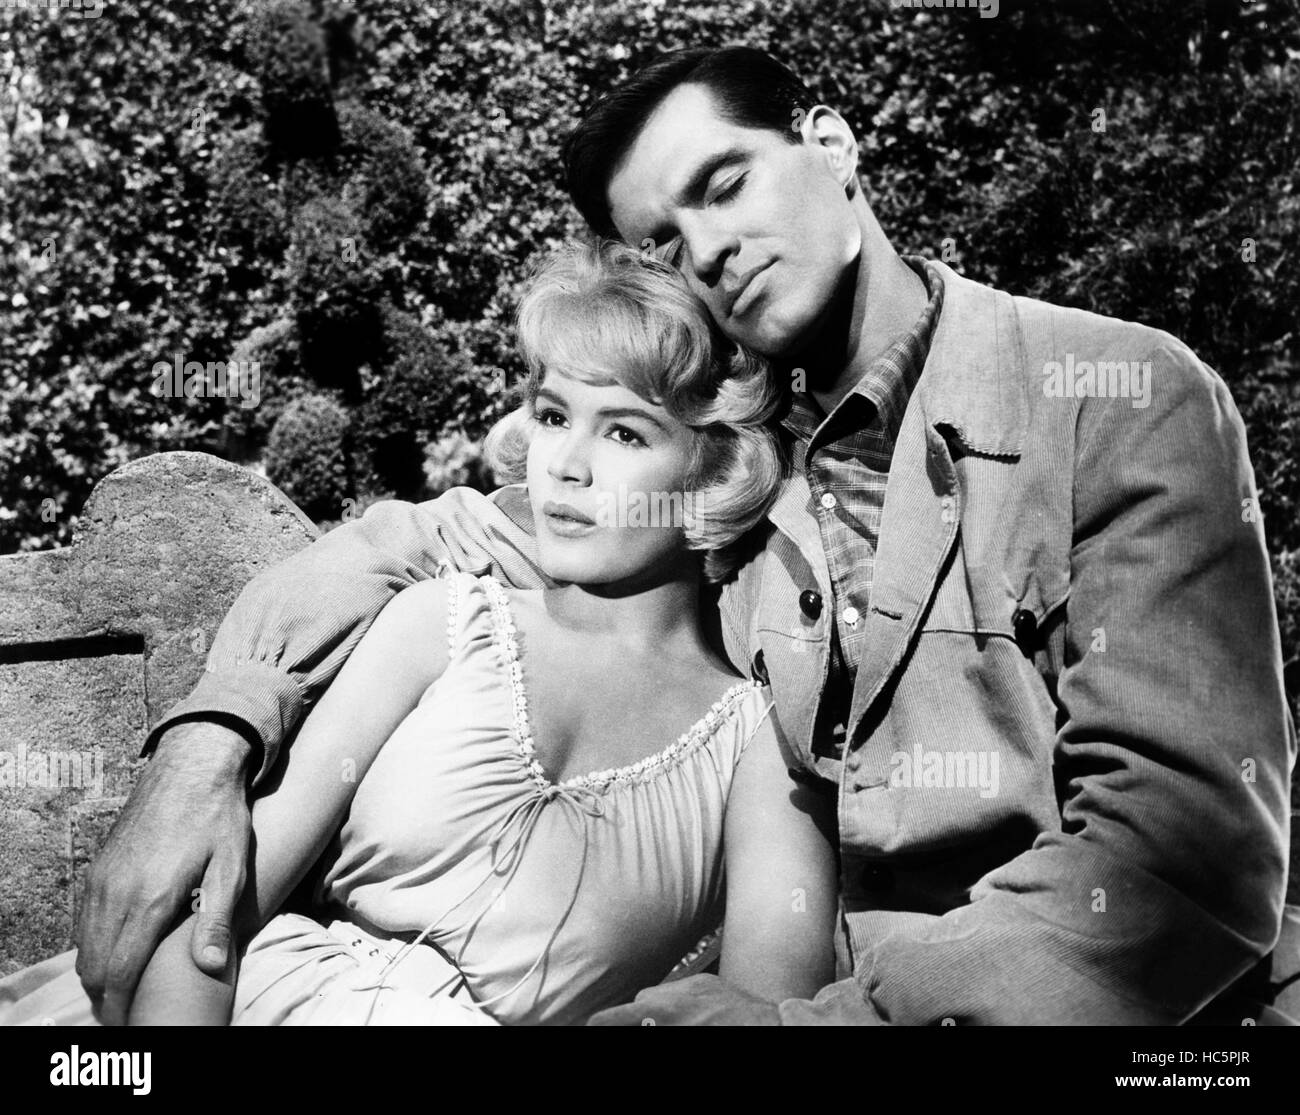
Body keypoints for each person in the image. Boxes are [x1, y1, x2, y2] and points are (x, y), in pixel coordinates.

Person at [71, 46, 1295, 1026]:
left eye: (723, 184)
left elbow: (1181, 863)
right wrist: (206, 745)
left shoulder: (1115, 396)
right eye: (659, 240)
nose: (705, 251)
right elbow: (415, 543)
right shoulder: (713, 473)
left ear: (832, 146)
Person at [0, 238, 837, 1026]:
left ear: (715, 469)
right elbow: (208, 925)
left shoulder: (757, 746)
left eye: (623, 431)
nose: (567, 465)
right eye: (552, 416)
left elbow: (765, 1010)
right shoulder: (443, 620)